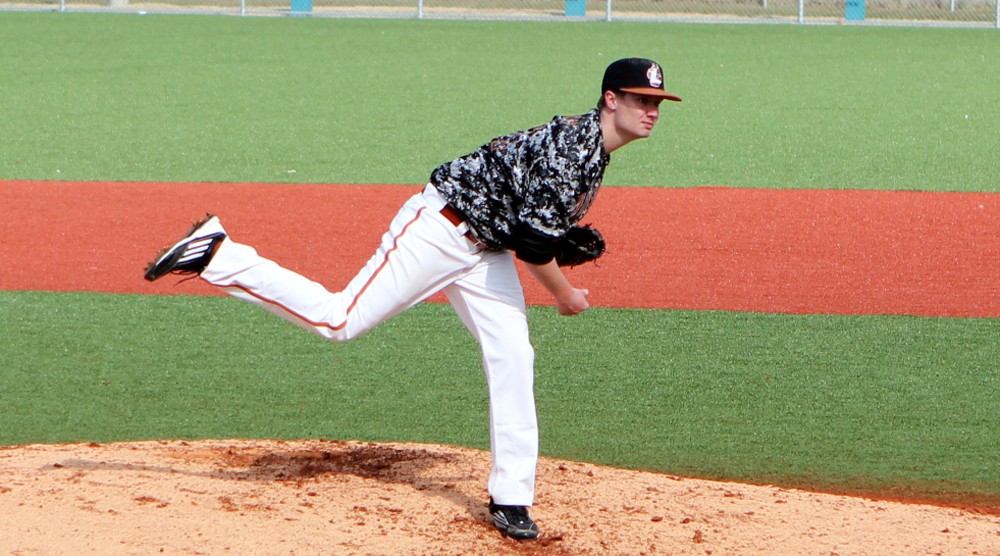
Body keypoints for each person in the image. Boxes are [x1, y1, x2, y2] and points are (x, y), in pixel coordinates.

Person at [144, 57, 681, 540]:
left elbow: (524, 218)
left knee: (514, 356)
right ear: (611, 99)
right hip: (439, 231)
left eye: (657, 102)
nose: (652, 110)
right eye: (641, 99)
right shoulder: (576, 148)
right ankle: (217, 253)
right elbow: (535, 245)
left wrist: (553, 239)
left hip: (484, 249)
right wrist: (564, 293)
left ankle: (512, 496)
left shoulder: (591, 147)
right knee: (339, 321)